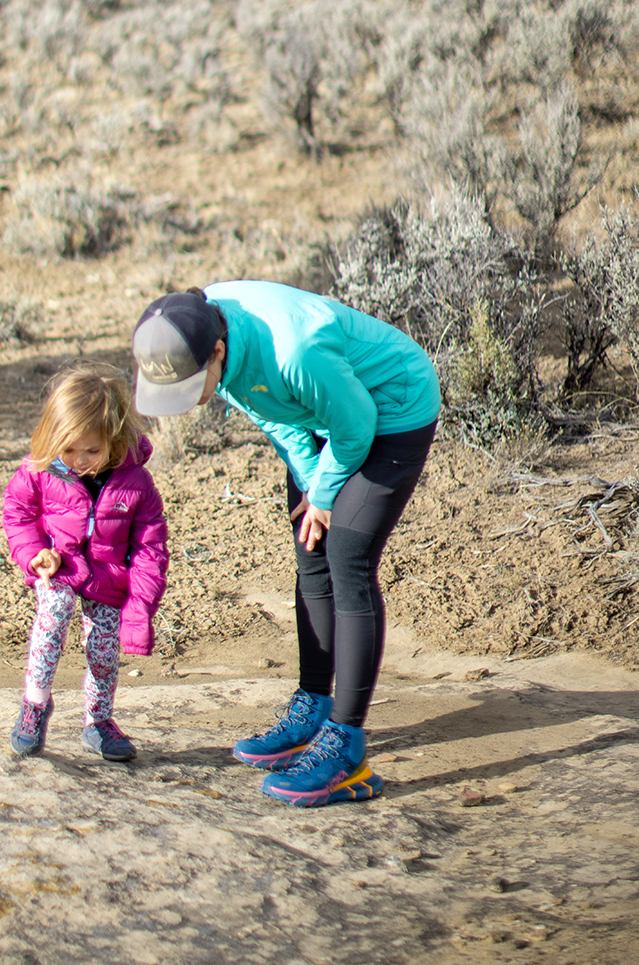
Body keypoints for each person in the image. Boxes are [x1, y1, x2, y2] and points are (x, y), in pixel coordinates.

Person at [131, 281, 439, 808]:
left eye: (189, 386)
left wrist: (324, 492)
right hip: (323, 413)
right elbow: (273, 413)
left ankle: (346, 748)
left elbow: (357, 424)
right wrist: (309, 477)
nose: (186, 403)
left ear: (218, 353)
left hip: (389, 408)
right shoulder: (202, 332)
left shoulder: (293, 348)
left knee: (347, 555)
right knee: (310, 554)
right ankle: (313, 709)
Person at [2, 364, 169, 763]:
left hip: (110, 579)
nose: (78, 461)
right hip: (59, 567)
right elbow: (18, 513)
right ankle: (35, 705)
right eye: (69, 449)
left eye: (92, 450)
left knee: (104, 648)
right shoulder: (41, 470)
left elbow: (151, 548)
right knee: (52, 616)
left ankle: (98, 721)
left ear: (115, 439)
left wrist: (139, 609)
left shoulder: (137, 484)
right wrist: (34, 554)